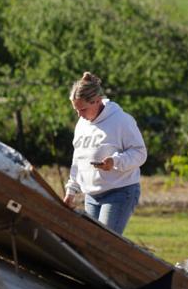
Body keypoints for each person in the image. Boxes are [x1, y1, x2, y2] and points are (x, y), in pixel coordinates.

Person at [62, 72, 147, 235]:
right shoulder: (82, 124)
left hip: (120, 192)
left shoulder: (122, 120)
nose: (79, 115)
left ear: (97, 101)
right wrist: (71, 191)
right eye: (76, 110)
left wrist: (114, 162)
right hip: (91, 196)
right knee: (90, 243)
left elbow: (140, 153)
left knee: (103, 244)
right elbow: (78, 160)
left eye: (83, 109)